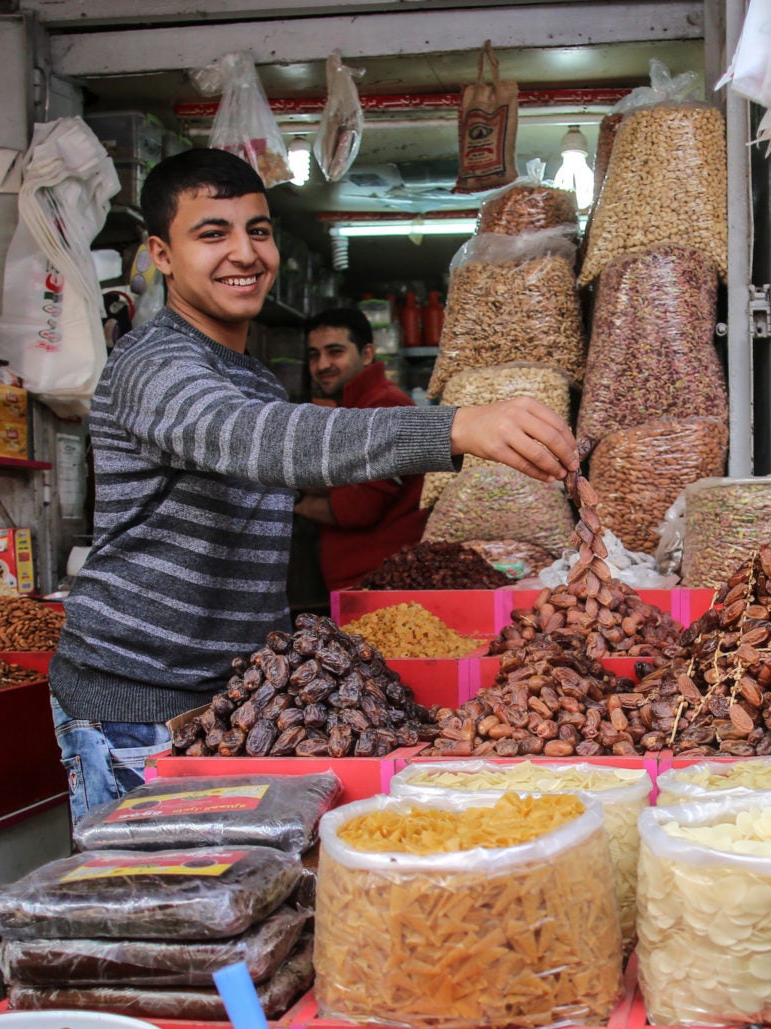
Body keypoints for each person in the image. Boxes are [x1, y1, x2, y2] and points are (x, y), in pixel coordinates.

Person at [50, 149, 575, 818]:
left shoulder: (254, 378)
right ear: (161, 252)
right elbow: (259, 439)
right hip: (133, 703)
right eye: (212, 234)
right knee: (144, 903)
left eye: (258, 230)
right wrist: (451, 428)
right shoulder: (152, 363)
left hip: (227, 704)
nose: (245, 253)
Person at [293, 307, 432, 588]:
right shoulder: (352, 408)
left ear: (367, 354)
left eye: (335, 352)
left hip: (379, 585)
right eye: (314, 355)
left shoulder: (385, 407)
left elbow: (358, 509)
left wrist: (289, 501)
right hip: (358, 583)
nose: (322, 365)